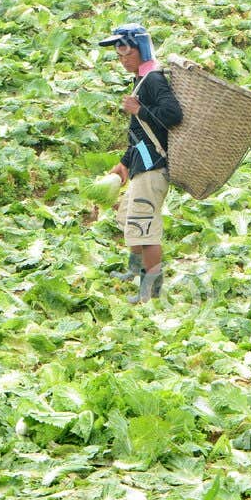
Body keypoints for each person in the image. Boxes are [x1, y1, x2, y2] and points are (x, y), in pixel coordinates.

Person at [96, 24, 183, 304]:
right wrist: (124, 164)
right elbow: (140, 133)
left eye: (128, 53)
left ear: (142, 50)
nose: (123, 60)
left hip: (153, 169)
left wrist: (139, 109)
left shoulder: (153, 79)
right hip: (141, 165)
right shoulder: (140, 79)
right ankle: (134, 272)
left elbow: (173, 114)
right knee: (129, 218)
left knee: (145, 229)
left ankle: (150, 291)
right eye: (119, 55)